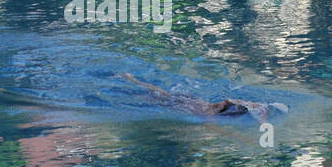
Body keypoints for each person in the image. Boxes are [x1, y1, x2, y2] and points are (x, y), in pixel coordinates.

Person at [117, 73, 288, 122]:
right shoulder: (210, 114)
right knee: (156, 96)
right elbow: (231, 102)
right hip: (182, 104)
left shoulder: (215, 109)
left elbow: (233, 102)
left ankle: (132, 79)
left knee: (159, 93)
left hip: (189, 100)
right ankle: (132, 80)